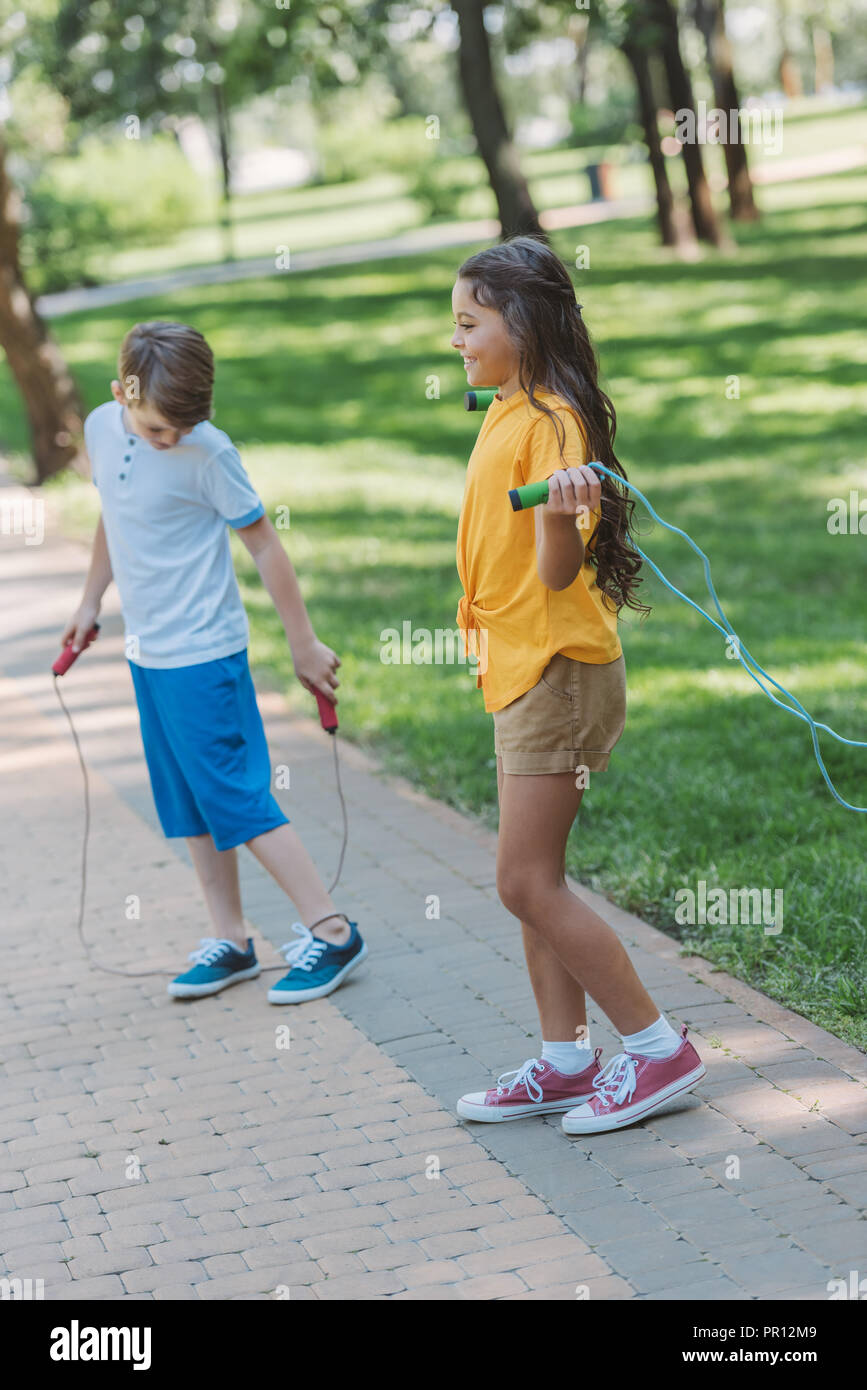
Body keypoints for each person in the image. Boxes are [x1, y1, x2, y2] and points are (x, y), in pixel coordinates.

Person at [451, 237, 705, 1134]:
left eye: (470, 323)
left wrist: (561, 513)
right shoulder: (510, 402)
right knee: (533, 876)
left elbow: (557, 572)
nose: (457, 341)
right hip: (521, 667)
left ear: (521, 323)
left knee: (523, 881)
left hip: (557, 671)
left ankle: (655, 1050)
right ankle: (565, 1060)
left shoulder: (553, 421)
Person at [61, 320, 367, 1003]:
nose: (168, 440)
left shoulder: (208, 452)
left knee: (236, 798)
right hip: (149, 655)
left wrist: (303, 642)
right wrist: (90, 599)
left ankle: (334, 931)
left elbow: (265, 548)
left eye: (178, 430)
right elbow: (113, 512)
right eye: (156, 429)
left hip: (204, 656)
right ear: (120, 394)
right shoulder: (104, 429)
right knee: (189, 804)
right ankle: (231, 941)